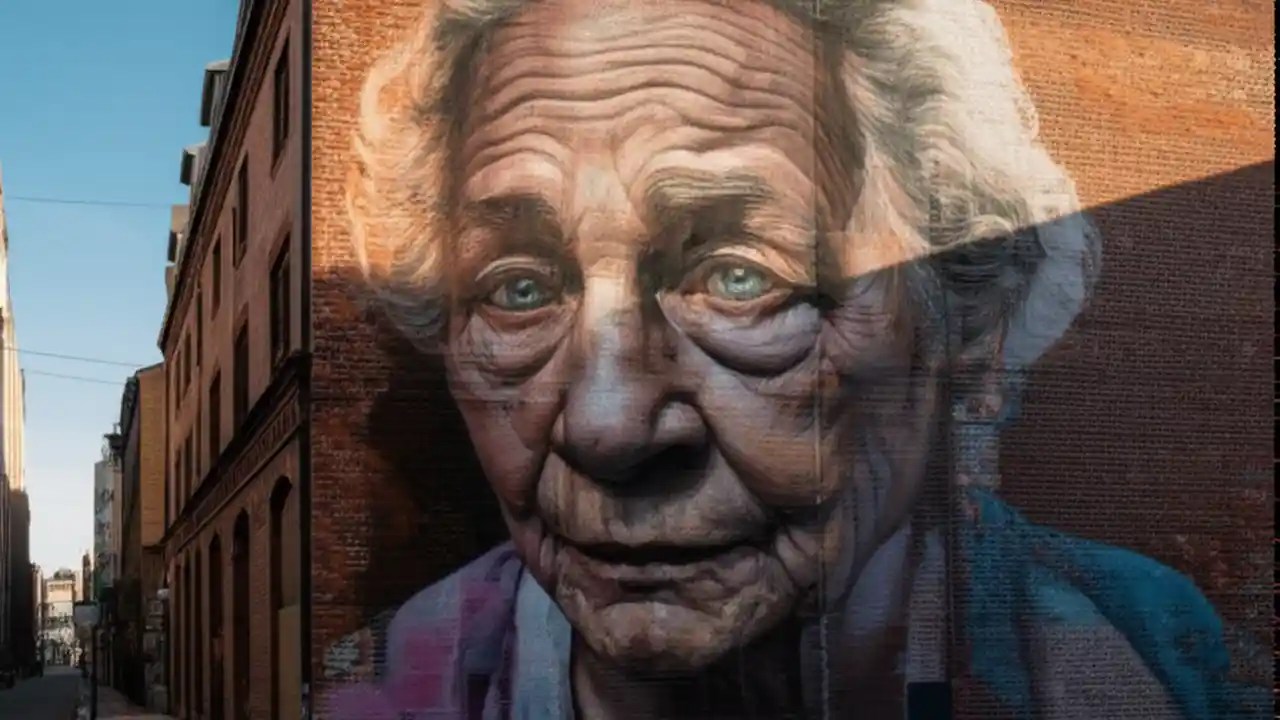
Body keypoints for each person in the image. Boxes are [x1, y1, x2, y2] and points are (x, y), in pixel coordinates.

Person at [323, 0, 1267, 717]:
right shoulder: (379, 693)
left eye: (740, 276)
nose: (606, 425)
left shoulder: (1156, 659)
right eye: (519, 289)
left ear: (971, 328)